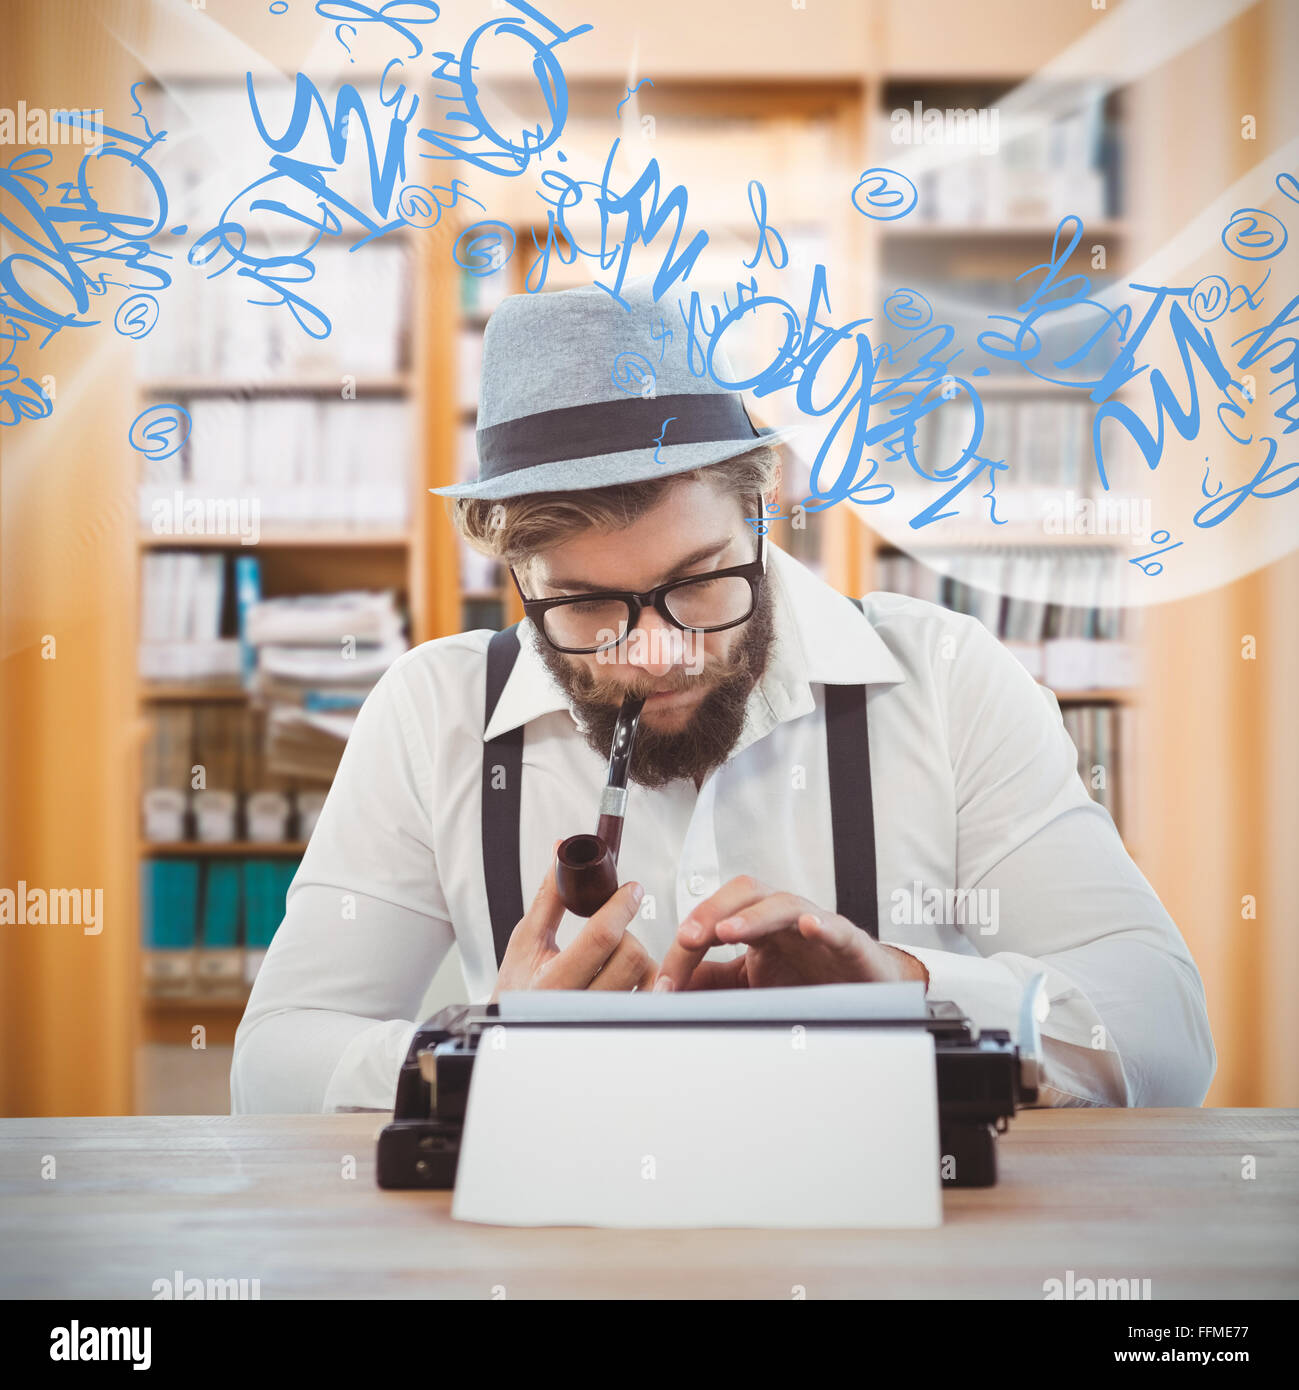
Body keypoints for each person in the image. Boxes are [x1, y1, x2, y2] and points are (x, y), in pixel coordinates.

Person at [231, 282, 1216, 1114]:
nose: (657, 652)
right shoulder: (430, 715)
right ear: (516, 578)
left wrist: (913, 995)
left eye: (700, 580)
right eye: (585, 603)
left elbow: (1167, 1035)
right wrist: (484, 1057)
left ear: (758, 509)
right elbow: (271, 1067)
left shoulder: (949, 680)